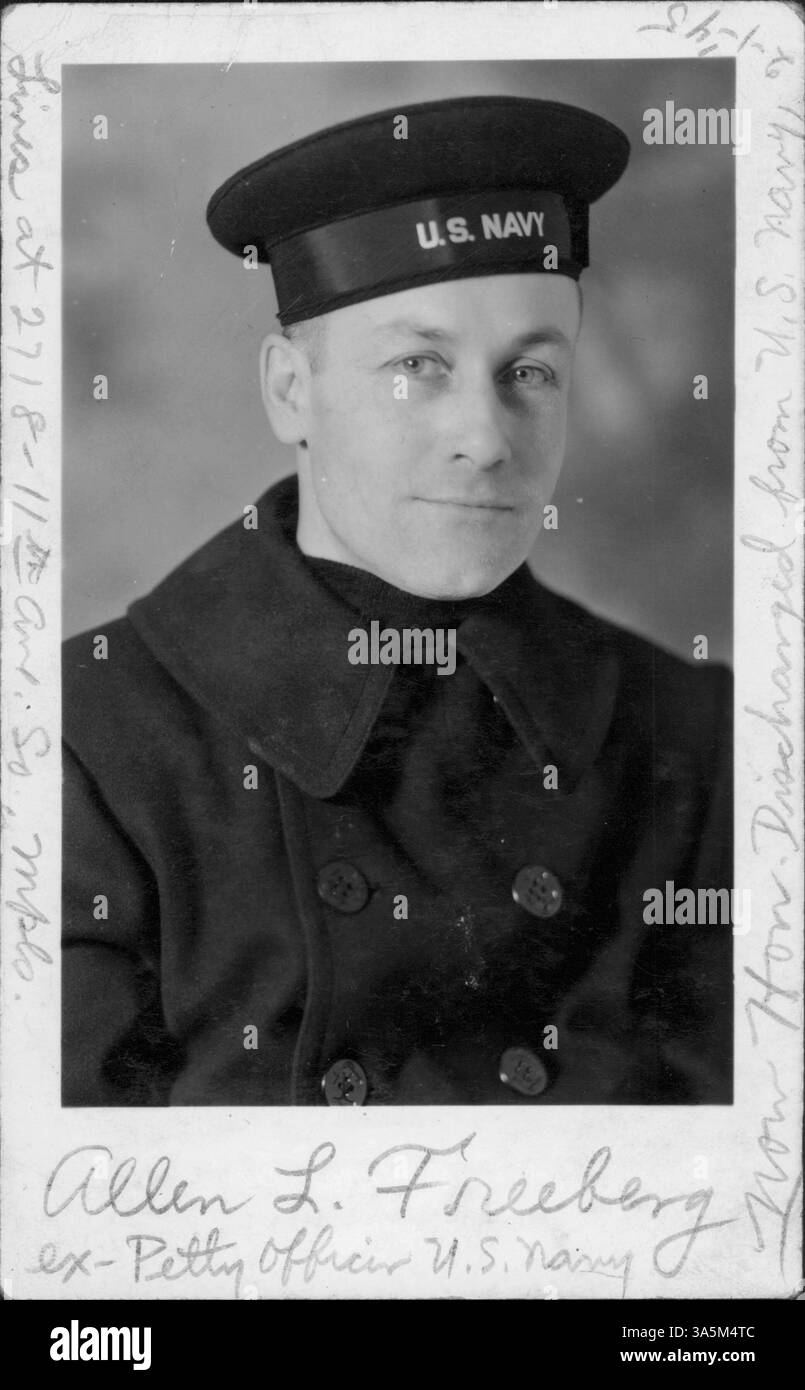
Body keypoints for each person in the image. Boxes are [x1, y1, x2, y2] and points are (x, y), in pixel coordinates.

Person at [62, 95, 732, 1107]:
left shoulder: (696, 733)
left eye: (530, 370)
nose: (489, 437)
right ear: (291, 391)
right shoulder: (82, 736)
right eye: (417, 367)